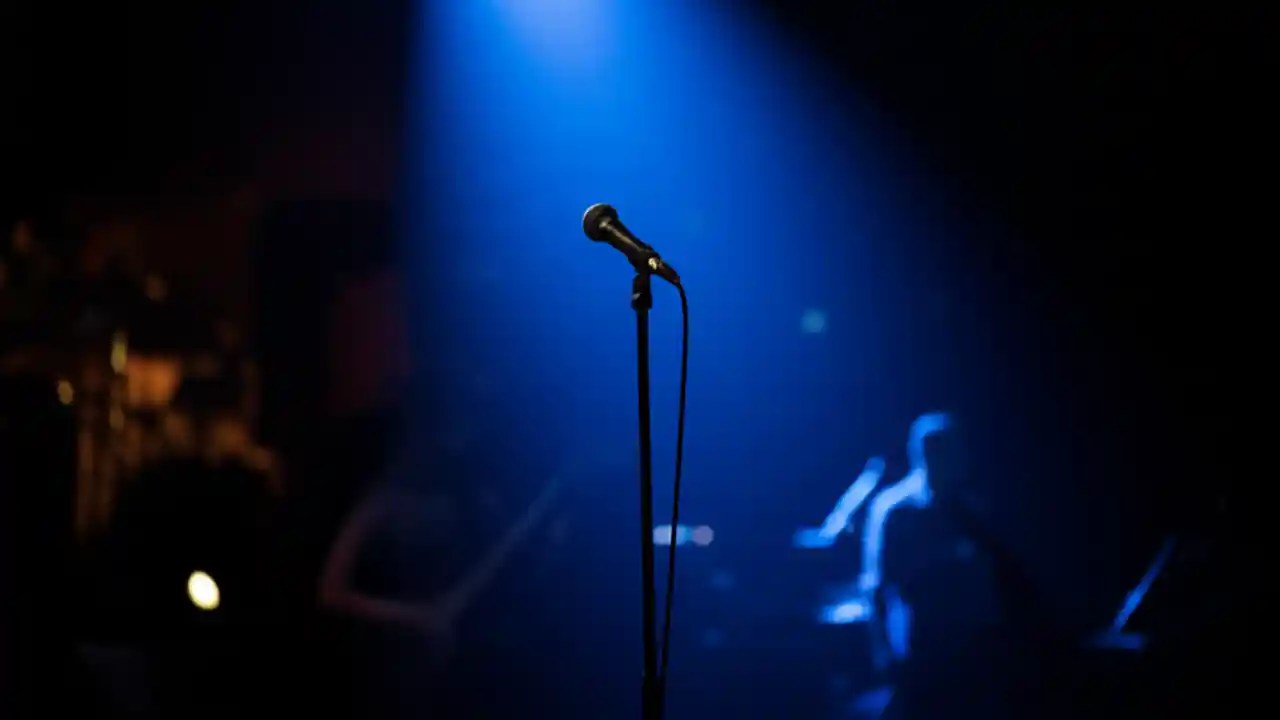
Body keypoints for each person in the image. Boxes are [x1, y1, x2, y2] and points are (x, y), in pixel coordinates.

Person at [317, 416, 561, 719]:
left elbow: (476, 578)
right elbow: (331, 591)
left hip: (433, 661)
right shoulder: (381, 501)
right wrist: (419, 616)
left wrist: (549, 496)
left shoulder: (458, 501)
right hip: (380, 657)